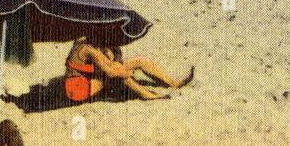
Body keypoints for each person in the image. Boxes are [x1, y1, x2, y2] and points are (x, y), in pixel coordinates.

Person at [62, 37, 192, 102]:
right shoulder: (87, 48)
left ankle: (173, 83)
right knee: (119, 72)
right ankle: (146, 95)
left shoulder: (92, 44)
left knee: (140, 60)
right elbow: (110, 72)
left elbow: (111, 60)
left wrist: (109, 51)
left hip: (85, 82)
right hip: (77, 89)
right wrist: (126, 72)